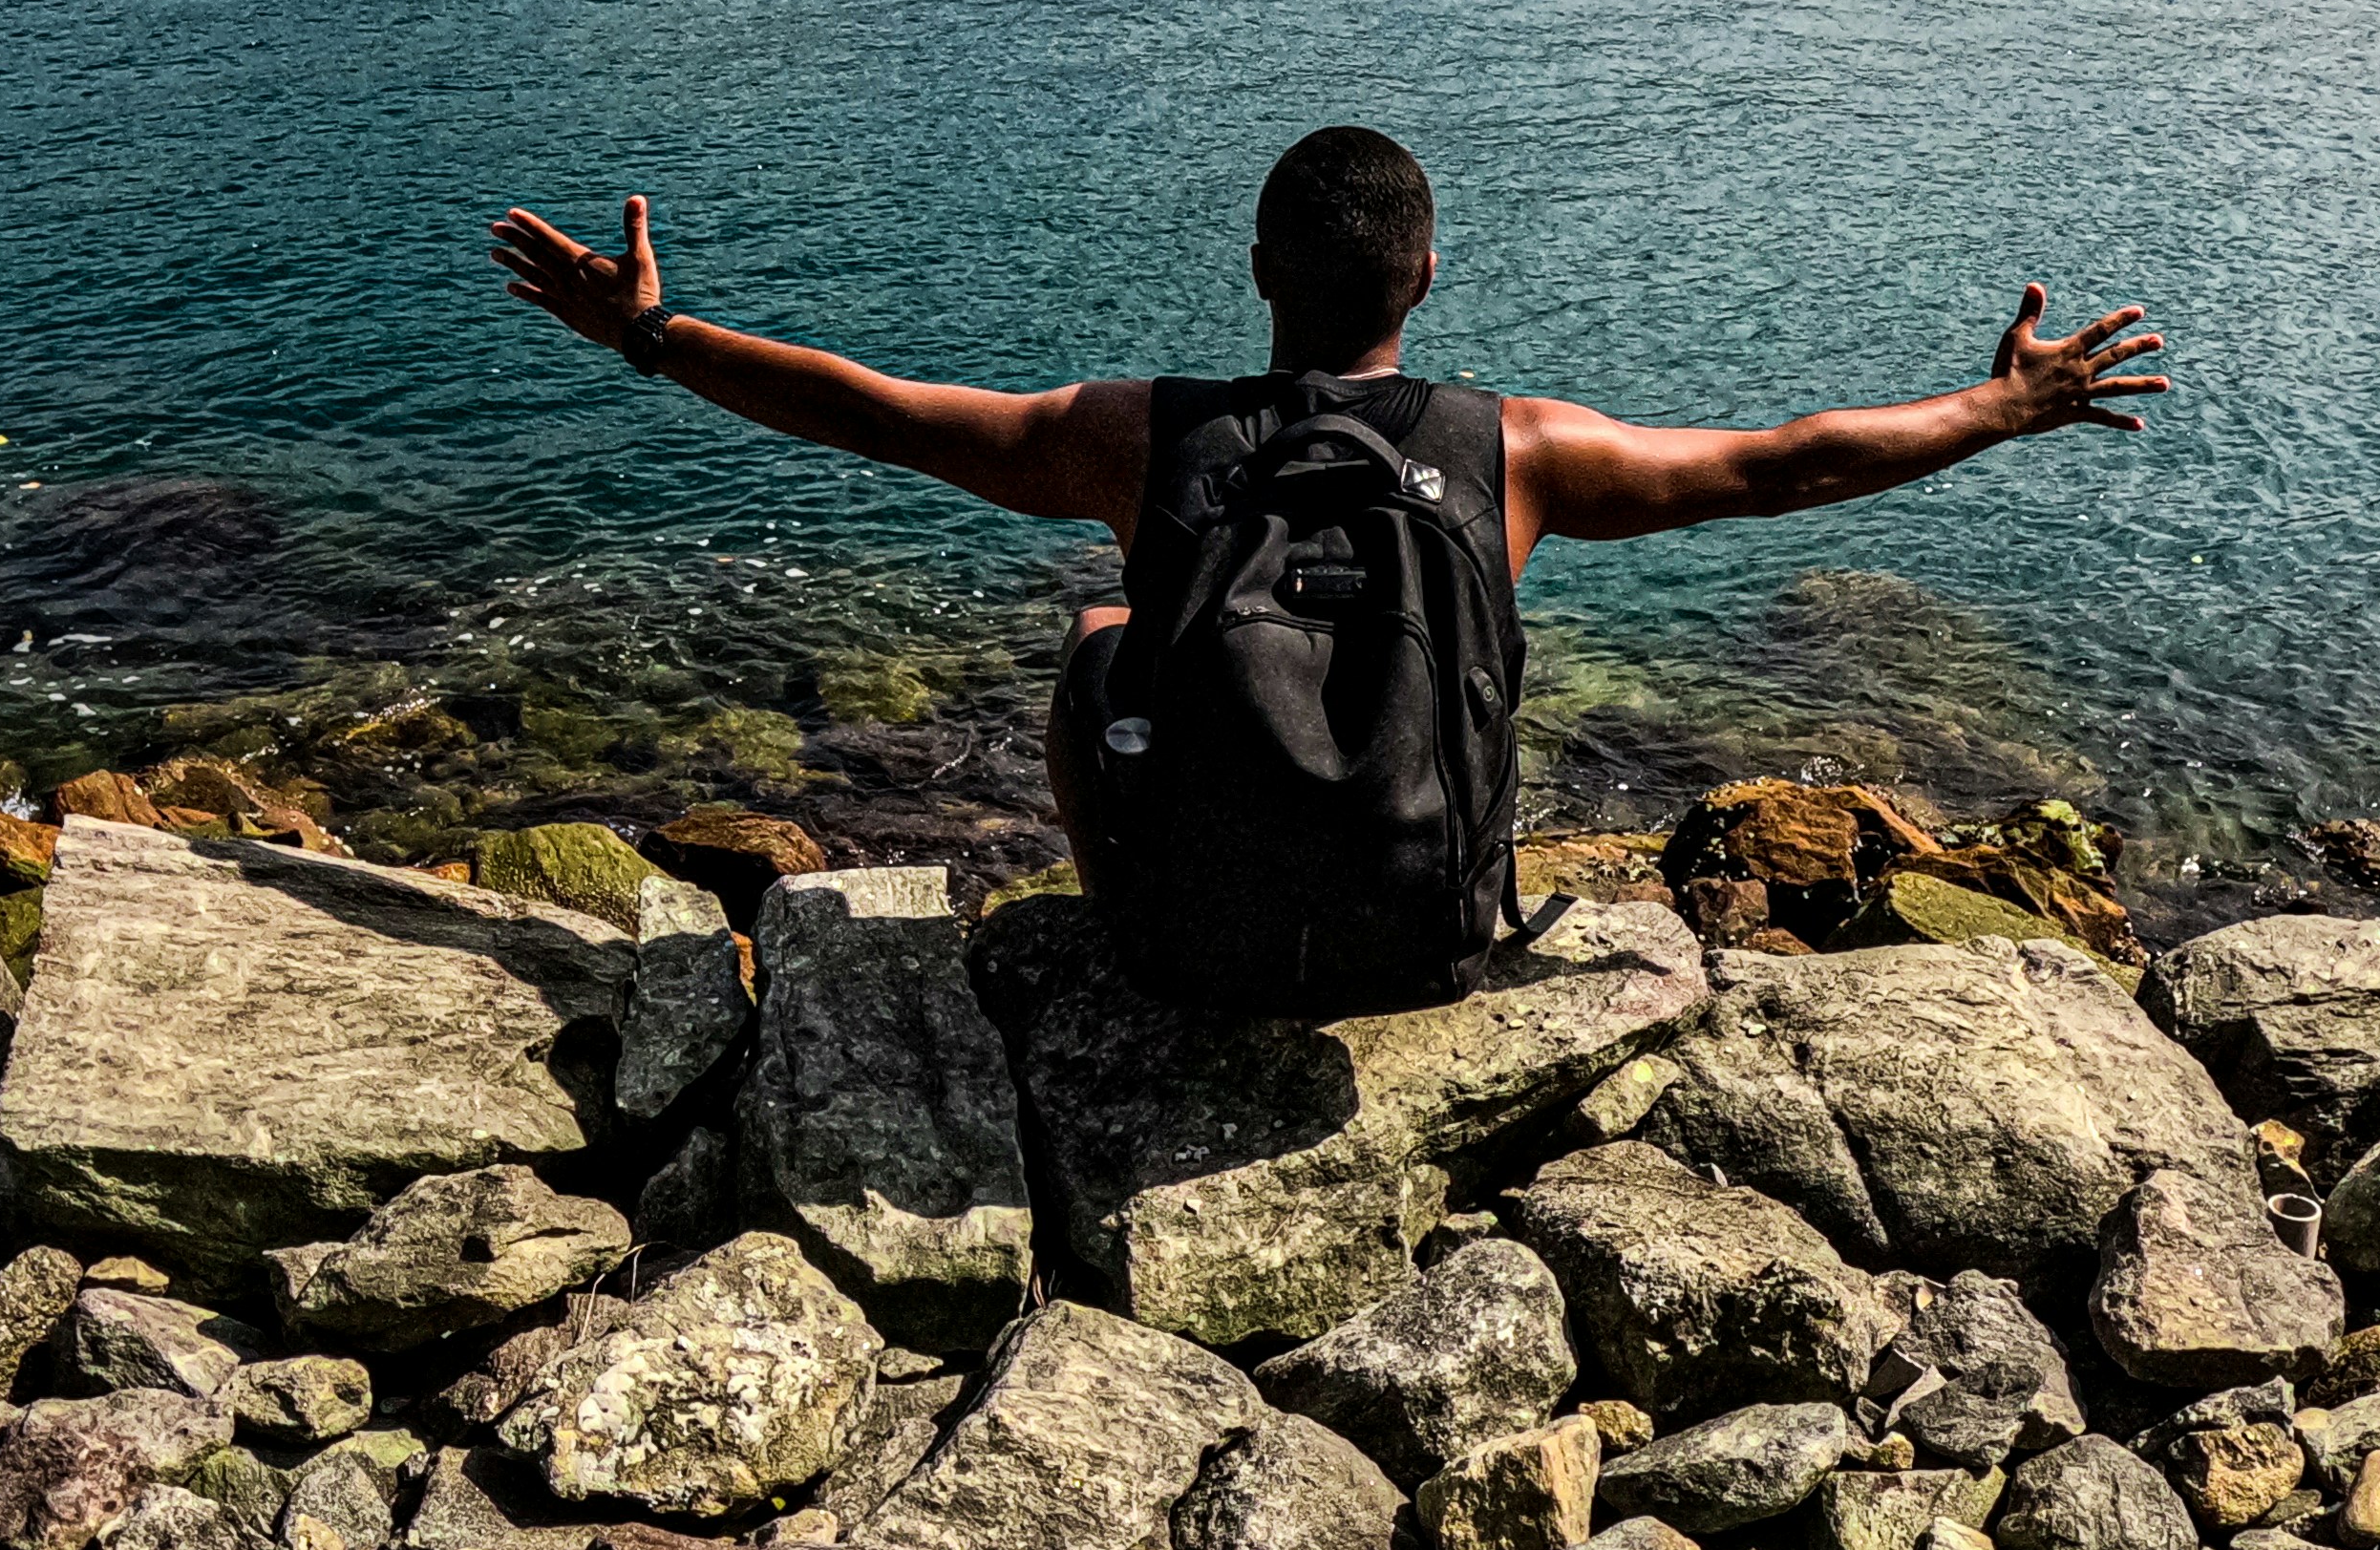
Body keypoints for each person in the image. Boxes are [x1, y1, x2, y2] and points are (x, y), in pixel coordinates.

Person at [487, 126, 2165, 972]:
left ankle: (1114, 921)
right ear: (1425, 278)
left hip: (1194, 955)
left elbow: (879, 411)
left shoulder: (1135, 436)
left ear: (1257, 271)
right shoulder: (1517, 453)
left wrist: (655, 338)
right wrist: (1995, 412)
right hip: (1426, 954)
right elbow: (1773, 468)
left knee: (1097, 633)